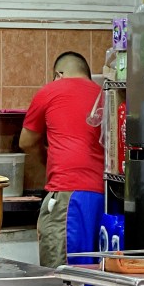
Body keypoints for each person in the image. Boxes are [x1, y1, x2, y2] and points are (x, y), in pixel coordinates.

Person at [19, 51, 104, 270]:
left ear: (59, 74)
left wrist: (44, 150)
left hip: (68, 197)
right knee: (94, 278)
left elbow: (25, 141)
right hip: (104, 196)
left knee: (62, 280)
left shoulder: (50, 91)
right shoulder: (104, 94)